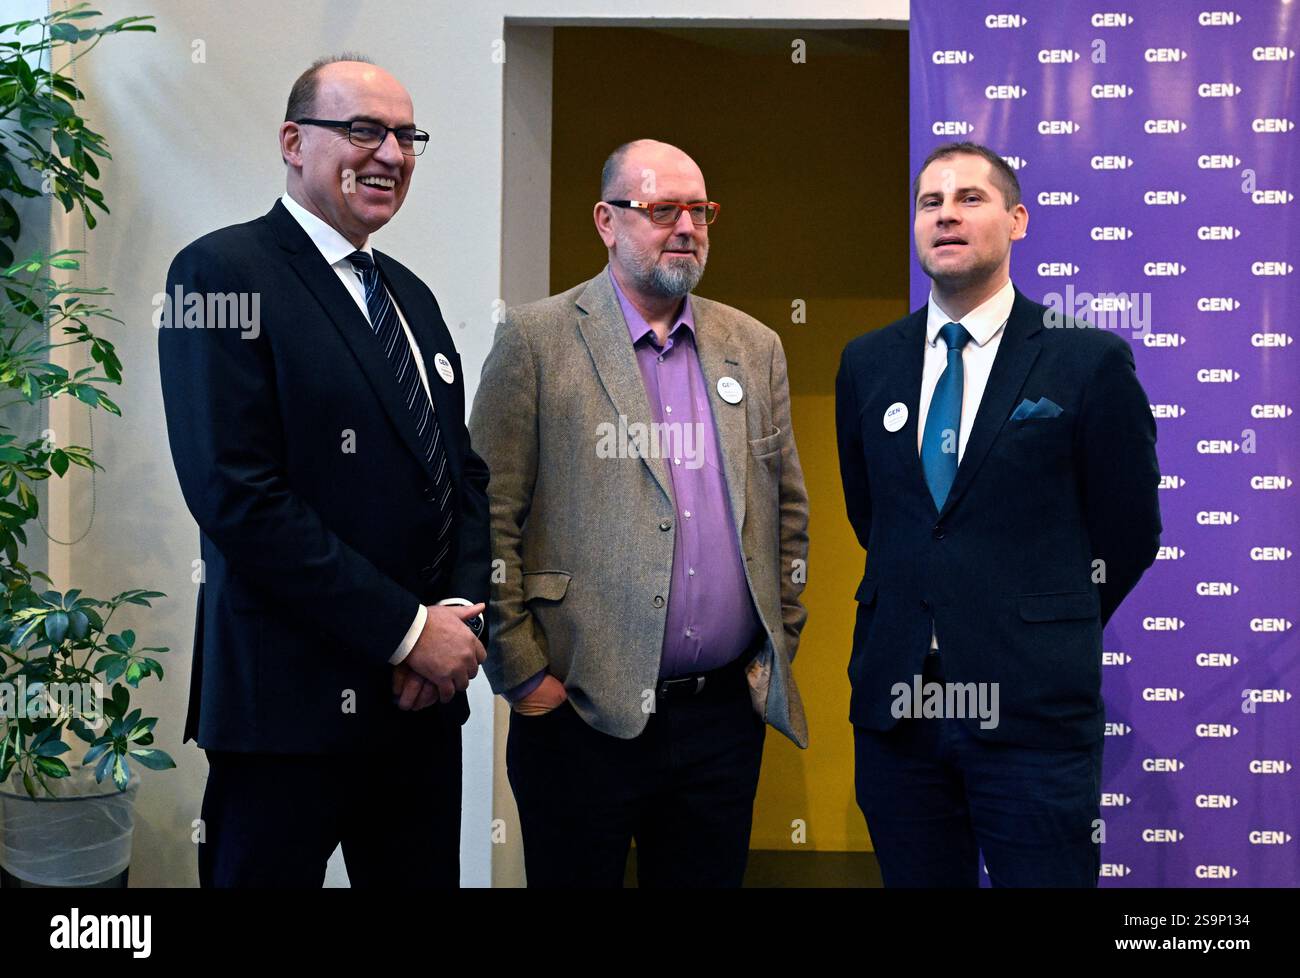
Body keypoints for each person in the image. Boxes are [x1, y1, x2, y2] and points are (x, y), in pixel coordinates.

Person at [158, 55, 490, 887]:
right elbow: (236, 495)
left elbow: (461, 475)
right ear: (293, 142)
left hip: (417, 715)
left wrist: (454, 615)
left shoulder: (408, 295)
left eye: (406, 136)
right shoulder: (219, 274)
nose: (390, 153)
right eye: (362, 130)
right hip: (285, 717)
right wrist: (409, 633)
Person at [470, 139, 810, 887]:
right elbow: (486, 514)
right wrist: (524, 678)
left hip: (720, 718)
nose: (686, 226)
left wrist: (774, 639)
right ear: (607, 221)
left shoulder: (753, 347)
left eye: (700, 210)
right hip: (578, 716)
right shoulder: (536, 340)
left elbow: (787, 511)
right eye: (662, 209)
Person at [835, 141, 1161, 887]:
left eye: (969, 199)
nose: (946, 214)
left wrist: (1044, 616)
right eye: (929, 202)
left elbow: (1129, 531)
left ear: (1016, 221)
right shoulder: (868, 362)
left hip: (1034, 714)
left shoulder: (1086, 359)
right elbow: (879, 517)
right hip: (900, 710)